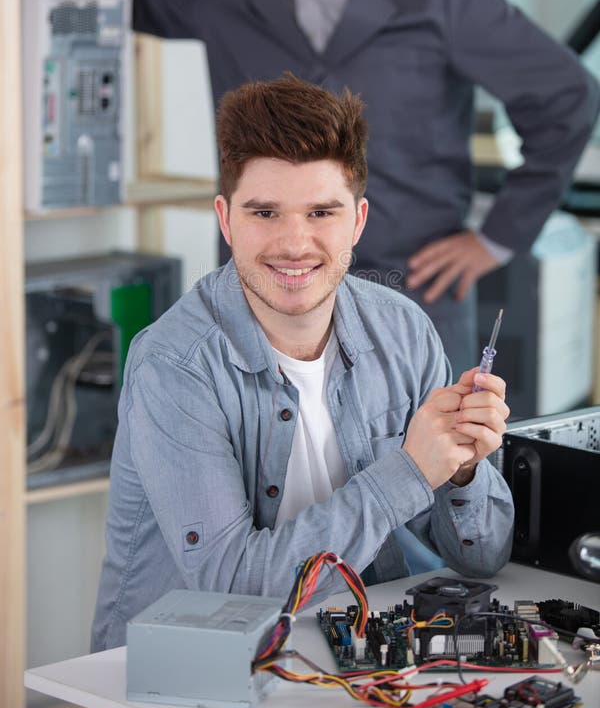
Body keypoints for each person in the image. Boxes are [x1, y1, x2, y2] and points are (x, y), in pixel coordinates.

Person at [1, 0, 598, 374]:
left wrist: (495, 239)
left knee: (426, 472)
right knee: (267, 474)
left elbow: (567, 96)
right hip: (264, 290)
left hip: (409, 287)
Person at [89, 73, 513, 655]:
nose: (294, 243)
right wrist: (413, 472)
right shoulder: (173, 365)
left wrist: (462, 468)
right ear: (225, 219)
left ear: (358, 221)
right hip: (178, 680)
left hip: (343, 662)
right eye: (264, 213)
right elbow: (232, 588)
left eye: (321, 212)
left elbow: (484, 560)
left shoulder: (403, 331)